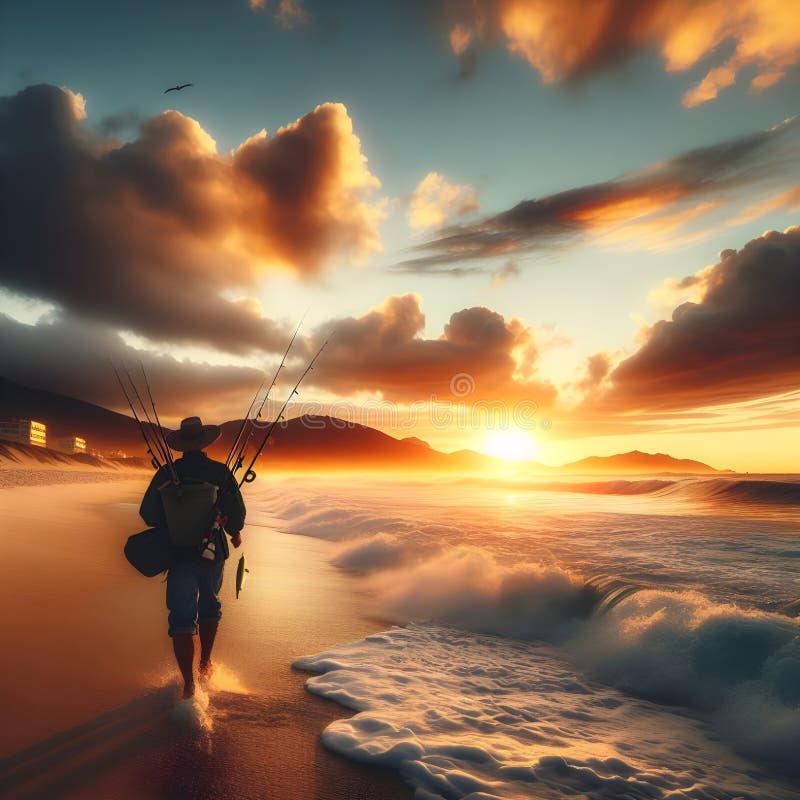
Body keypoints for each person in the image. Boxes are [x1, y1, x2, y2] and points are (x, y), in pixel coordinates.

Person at [139, 416, 246, 698]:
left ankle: (188, 684)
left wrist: (174, 517)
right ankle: (205, 662)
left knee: (181, 618)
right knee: (210, 607)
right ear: (204, 442)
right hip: (213, 552)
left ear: (181, 446)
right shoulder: (220, 472)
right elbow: (238, 516)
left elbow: (147, 514)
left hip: (177, 553)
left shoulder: (166, 473)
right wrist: (232, 530)